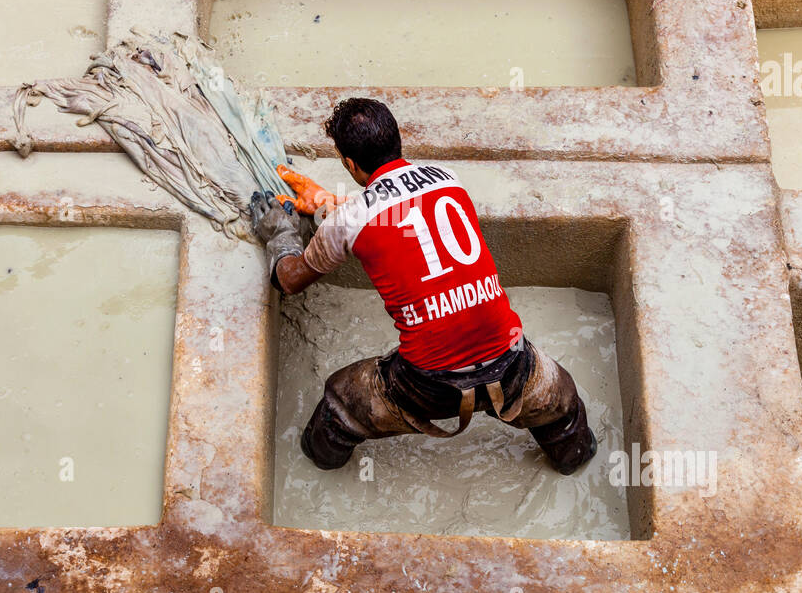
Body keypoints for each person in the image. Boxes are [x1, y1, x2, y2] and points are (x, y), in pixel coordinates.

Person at [250, 98, 597, 474]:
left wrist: (281, 233)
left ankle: (319, 464)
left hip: (427, 385)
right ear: (398, 140)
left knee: (342, 400)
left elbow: (289, 280)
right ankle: (573, 458)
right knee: (562, 402)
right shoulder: (448, 177)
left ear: (350, 164)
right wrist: (329, 204)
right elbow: (405, 212)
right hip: (513, 364)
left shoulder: (350, 219)